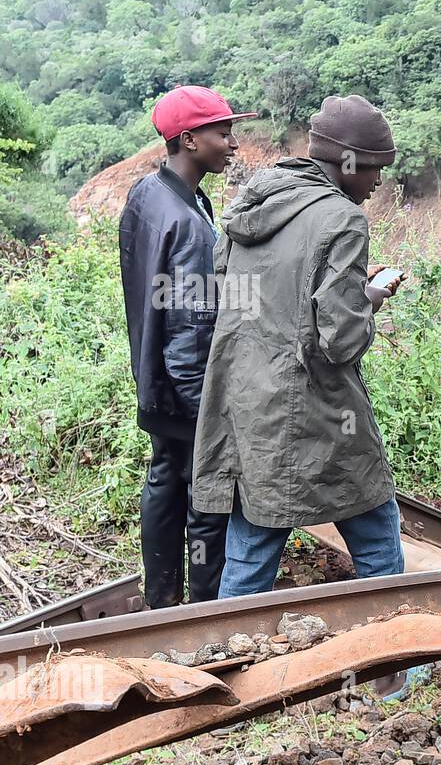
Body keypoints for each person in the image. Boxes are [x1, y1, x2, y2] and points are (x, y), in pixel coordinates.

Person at [191, 94, 404, 600]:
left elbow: (240, 295)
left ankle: (229, 663)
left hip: (245, 403)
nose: (377, 182)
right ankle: (398, 673)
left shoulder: (253, 205)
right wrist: (368, 298)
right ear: (346, 160)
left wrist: (345, 289)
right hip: (314, 411)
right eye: (373, 168)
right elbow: (338, 340)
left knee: (252, 540)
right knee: (376, 531)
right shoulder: (342, 219)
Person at [119, 85, 255, 608]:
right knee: (206, 500)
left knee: (163, 482)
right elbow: (190, 332)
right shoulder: (190, 226)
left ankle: (160, 602)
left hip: (153, 377)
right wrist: (207, 414)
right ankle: (201, 613)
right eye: (223, 133)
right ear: (189, 139)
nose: (233, 143)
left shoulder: (148, 194)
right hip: (186, 388)